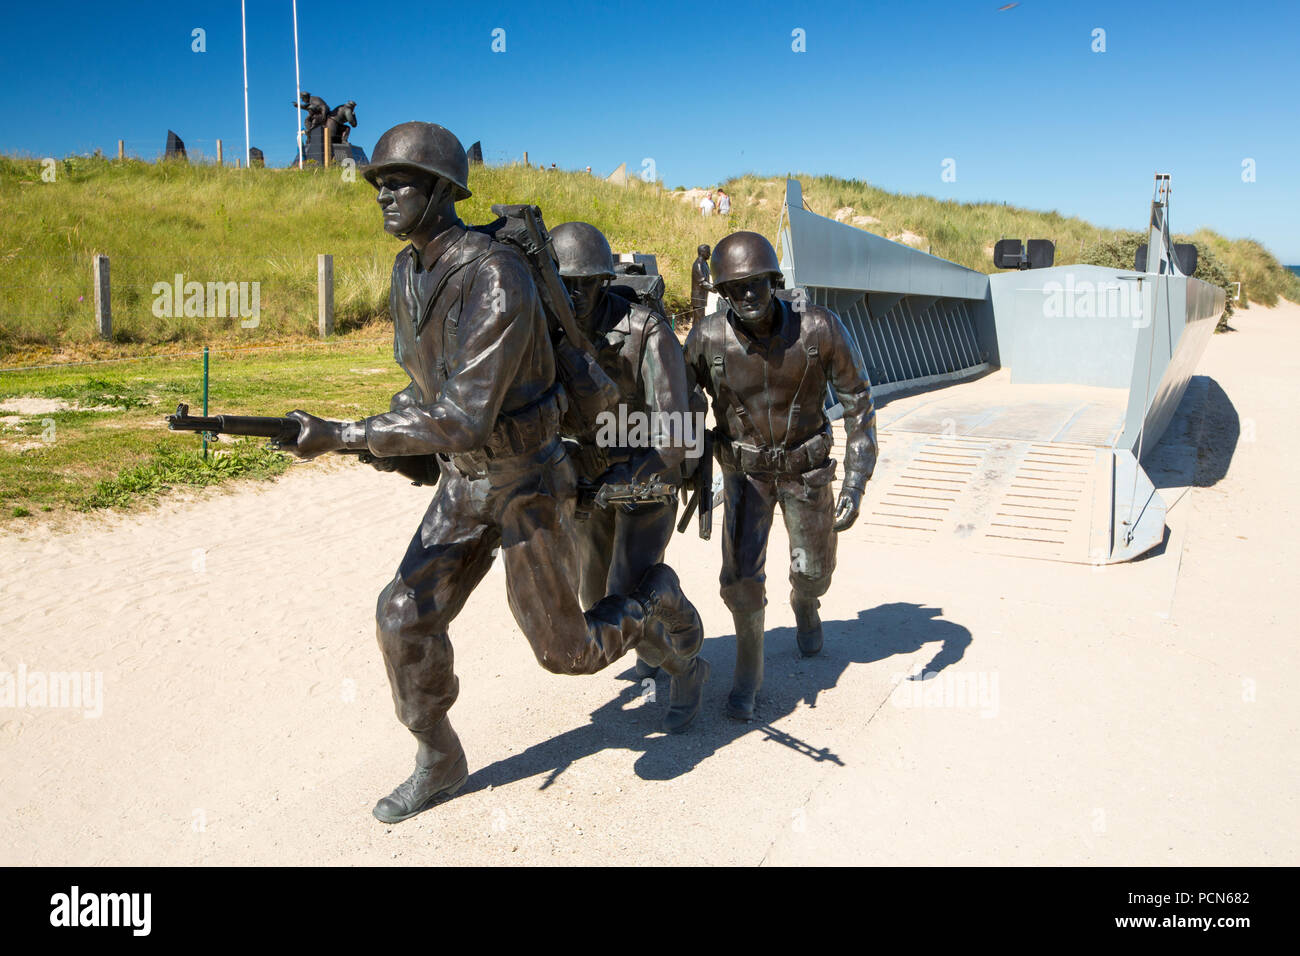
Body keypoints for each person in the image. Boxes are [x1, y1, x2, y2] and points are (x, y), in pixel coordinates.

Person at [276, 122, 708, 824]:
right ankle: (439, 758)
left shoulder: (495, 275)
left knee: (566, 652)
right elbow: (428, 389)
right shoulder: (407, 274)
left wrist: (345, 435)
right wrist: (392, 436)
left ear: (443, 190)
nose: (383, 193)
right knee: (401, 616)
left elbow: (465, 414)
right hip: (464, 479)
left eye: (400, 182)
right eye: (379, 182)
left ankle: (652, 597)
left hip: (527, 481)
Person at [684, 231, 878, 721]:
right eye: (734, 288)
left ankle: (805, 603)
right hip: (745, 475)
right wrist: (678, 463)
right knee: (740, 582)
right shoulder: (707, 338)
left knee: (814, 572)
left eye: (756, 283)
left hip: (805, 472)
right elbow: (678, 404)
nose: (747, 295)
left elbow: (858, 401)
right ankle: (748, 673)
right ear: (721, 293)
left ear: (774, 280)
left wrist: (856, 479)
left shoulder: (819, 328)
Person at [551, 221, 701, 686]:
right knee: (594, 602)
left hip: (648, 479)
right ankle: (654, 637)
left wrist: (626, 476)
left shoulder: (646, 333)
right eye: (563, 284)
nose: (573, 295)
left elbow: (676, 435)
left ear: (603, 281)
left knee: (625, 601)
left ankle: (686, 665)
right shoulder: (546, 332)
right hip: (589, 486)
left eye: (584, 284)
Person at [690, 244, 712, 326]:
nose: (710, 254)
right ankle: (695, 333)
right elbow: (702, 282)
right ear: (702, 252)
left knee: (701, 319)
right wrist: (714, 288)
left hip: (702, 298)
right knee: (698, 321)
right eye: (708, 252)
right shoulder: (698, 264)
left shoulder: (704, 263)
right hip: (698, 298)